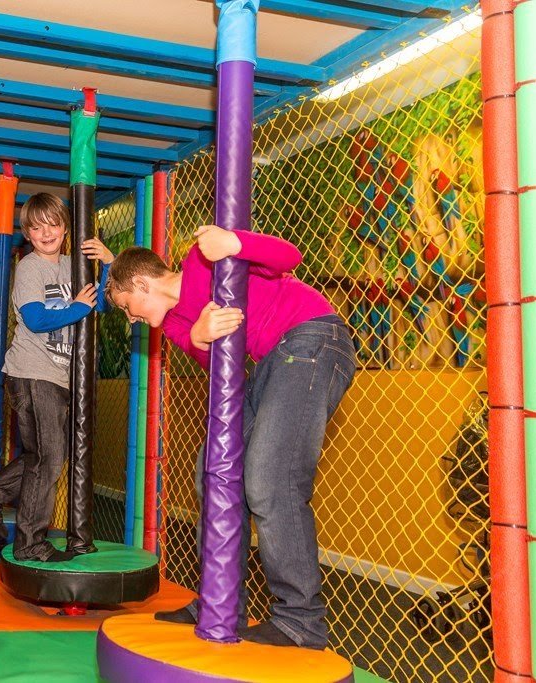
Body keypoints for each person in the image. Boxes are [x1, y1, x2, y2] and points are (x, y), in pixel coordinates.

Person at [106, 224, 356, 650]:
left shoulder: (202, 259)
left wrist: (236, 244)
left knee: (270, 478)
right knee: (214, 473)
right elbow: (219, 359)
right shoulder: (173, 325)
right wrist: (201, 336)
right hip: (270, 363)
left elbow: (288, 257)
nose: (131, 319)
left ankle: (301, 621)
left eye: (128, 306)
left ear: (142, 284)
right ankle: (220, 604)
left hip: (311, 337)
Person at [0, 192, 114, 562]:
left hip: (60, 374)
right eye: (36, 227)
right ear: (27, 235)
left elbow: (108, 302)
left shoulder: (74, 265)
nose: (46, 232)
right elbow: (35, 319)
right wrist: (77, 307)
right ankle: (31, 542)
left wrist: (109, 265)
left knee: (46, 456)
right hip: (33, 371)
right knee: (48, 459)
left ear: (66, 227)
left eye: (53, 224)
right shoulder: (32, 268)